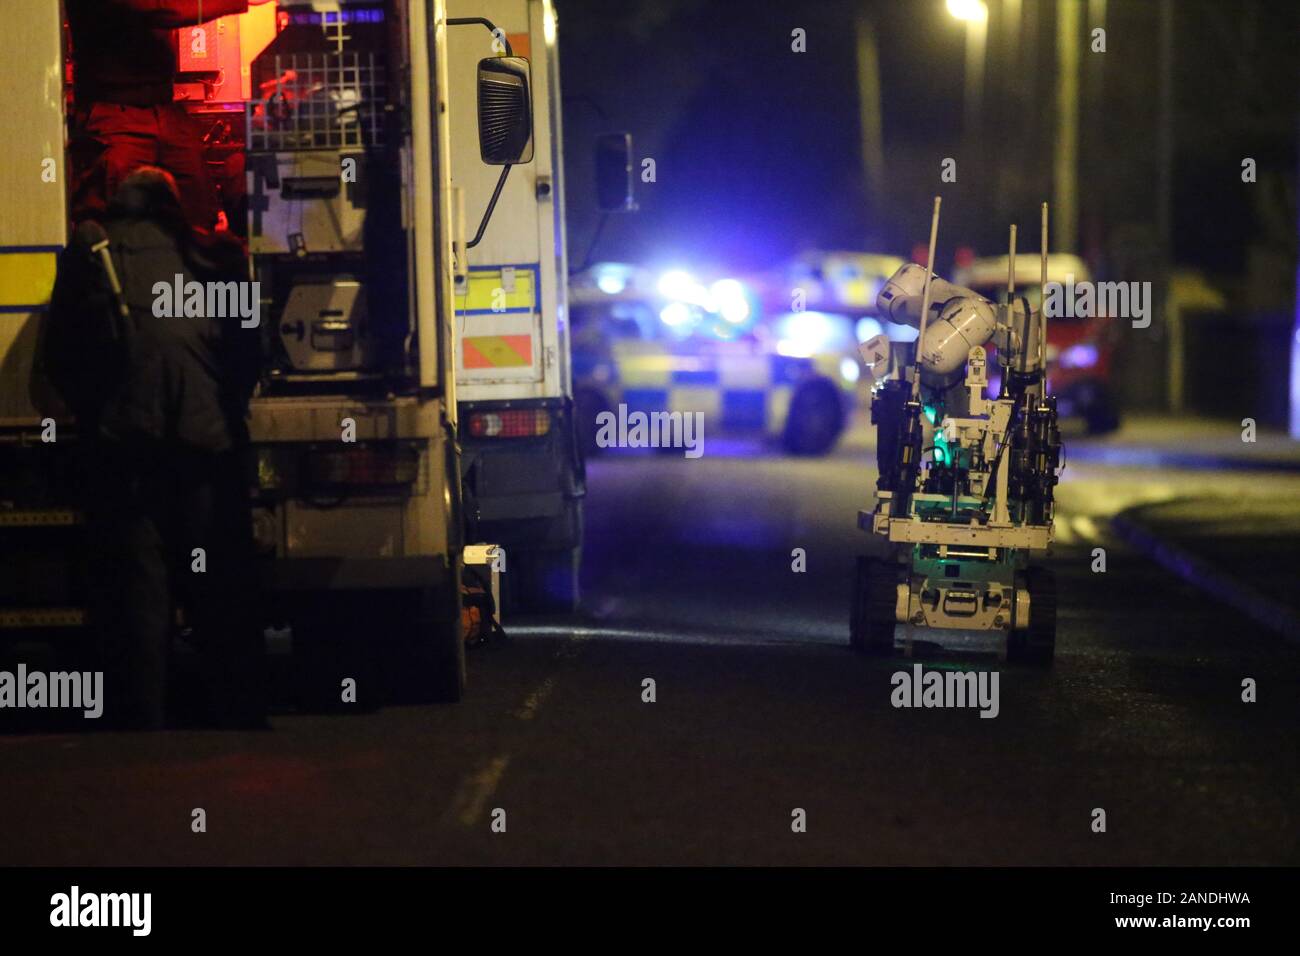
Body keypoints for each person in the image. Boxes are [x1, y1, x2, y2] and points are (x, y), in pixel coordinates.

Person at [45, 168, 264, 729]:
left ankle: (142, 715)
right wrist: (229, 408)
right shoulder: (213, 255)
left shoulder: (92, 251)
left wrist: (96, 414)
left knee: (139, 584)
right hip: (207, 446)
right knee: (218, 576)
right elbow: (249, 349)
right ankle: (235, 707)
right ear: (174, 203)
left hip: (126, 448)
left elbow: (63, 353)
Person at [65, 0, 272, 232]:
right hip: (113, 112)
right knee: (112, 220)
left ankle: (179, 270)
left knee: (199, 216)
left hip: (162, 107)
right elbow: (161, 10)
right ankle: (118, 266)